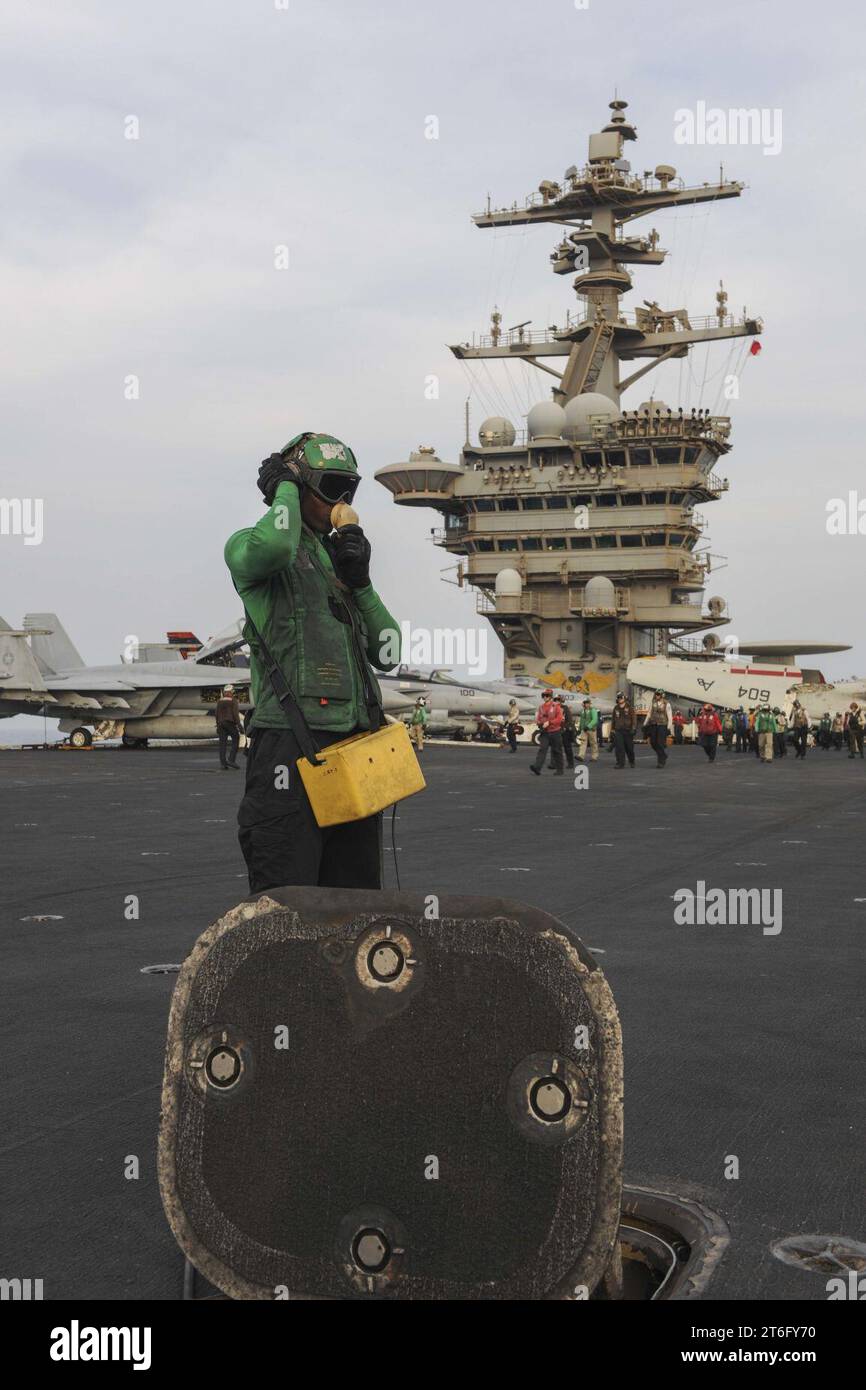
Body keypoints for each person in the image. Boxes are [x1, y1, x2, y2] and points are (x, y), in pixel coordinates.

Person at [225, 432, 398, 892]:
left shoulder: (337, 562)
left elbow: (389, 653)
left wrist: (360, 583)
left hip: (353, 745)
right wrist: (284, 487)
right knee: (287, 901)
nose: (340, 501)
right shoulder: (249, 546)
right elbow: (278, 547)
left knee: (355, 902)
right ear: (299, 487)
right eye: (329, 486)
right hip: (288, 743)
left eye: (349, 489)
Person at [530, 688, 564, 776]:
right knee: (542, 749)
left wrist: (549, 722)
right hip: (545, 732)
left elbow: (559, 719)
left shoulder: (556, 706)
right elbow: (539, 718)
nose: (545, 697)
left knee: (557, 751)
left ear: (550, 696)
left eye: (547, 695)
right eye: (543, 695)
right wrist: (538, 722)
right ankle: (537, 767)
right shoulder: (541, 707)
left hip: (555, 732)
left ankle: (560, 770)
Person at [215, 684, 243, 770]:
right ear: (231, 692)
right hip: (229, 723)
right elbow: (235, 715)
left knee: (222, 744)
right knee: (236, 738)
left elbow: (216, 714)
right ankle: (231, 759)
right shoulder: (233, 701)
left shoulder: (220, 701)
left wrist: (218, 725)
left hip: (221, 724)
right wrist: (240, 727)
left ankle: (223, 764)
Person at [644, 688, 673, 767]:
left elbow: (670, 717)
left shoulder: (667, 704)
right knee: (653, 743)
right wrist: (645, 723)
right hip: (653, 724)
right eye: (656, 694)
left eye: (658, 694)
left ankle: (661, 762)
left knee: (660, 744)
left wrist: (668, 728)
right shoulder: (653, 703)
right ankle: (663, 755)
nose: (656, 696)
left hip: (662, 725)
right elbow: (649, 714)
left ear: (662, 695)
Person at [610, 691, 636, 768]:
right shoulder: (616, 708)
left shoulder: (630, 707)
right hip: (618, 730)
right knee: (619, 747)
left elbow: (634, 718)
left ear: (624, 698)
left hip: (628, 730)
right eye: (618, 697)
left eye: (621, 697)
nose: (620, 699)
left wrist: (633, 728)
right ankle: (620, 763)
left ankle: (632, 761)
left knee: (629, 748)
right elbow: (613, 720)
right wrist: (612, 730)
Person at [553, 696, 577, 769]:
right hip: (556, 730)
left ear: (561, 701)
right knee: (556, 748)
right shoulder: (552, 708)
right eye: (556, 700)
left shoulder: (565, 708)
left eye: (558, 700)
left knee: (567, 748)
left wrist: (565, 727)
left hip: (565, 731)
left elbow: (569, 720)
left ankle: (570, 763)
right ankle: (555, 764)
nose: (557, 702)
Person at [577, 699, 599, 763]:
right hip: (584, 729)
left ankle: (594, 757)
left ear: (589, 704)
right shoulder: (583, 711)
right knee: (583, 742)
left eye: (587, 703)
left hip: (591, 729)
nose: (586, 704)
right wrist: (579, 729)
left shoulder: (593, 710)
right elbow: (581, 720)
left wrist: (588, 726)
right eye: (585, 703)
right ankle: (581, 756)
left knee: (593, 743)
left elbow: (595, 720)